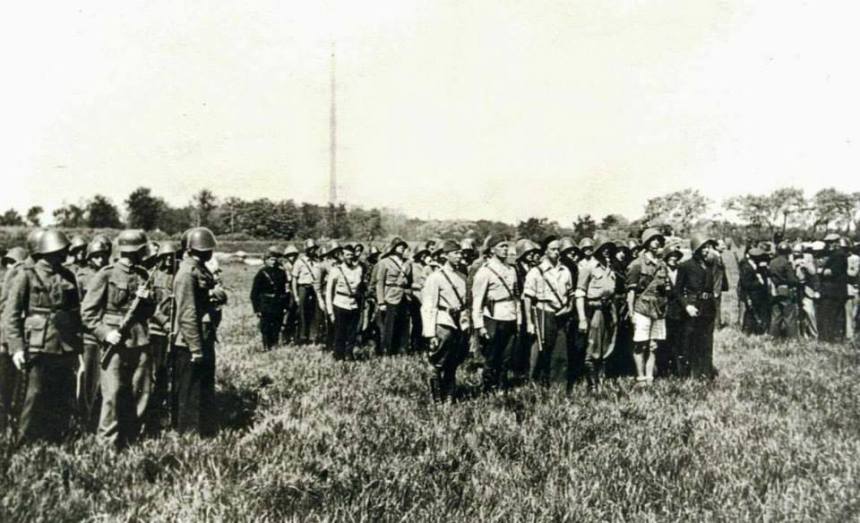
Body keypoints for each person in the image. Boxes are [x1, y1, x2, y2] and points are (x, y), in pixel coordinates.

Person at [3, 230, 81, 445]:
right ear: (49, 251)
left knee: (61, 395)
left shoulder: (68, 276)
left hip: (64, 344)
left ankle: (56, 439)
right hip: (37, 343)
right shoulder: (26, 275)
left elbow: (75, 314)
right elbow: (11, 316)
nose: (65, 254)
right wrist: (16, 347)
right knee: (34, 395)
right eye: (60, 251)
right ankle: (23, 442)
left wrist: (77, 347)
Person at [80, 230, 156, 449]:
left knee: (140, 390)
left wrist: (147, 300)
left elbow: (148, 313)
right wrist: (104, 333)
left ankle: (131, 437)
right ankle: (107, 444)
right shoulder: (106, 274)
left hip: (139, 339)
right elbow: (88, 313)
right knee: (112, 393)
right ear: (137, 250)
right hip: (114, 342)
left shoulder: (143, 275)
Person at [172, 227, 220, 436]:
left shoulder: (200, 269)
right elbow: (187, 313)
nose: (207, 254)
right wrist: (196, 348)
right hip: (190, 342)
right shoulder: (186, 273)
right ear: (190, 250)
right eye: (202, 251)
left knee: (203, 387)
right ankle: (189, 433)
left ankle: (204, 430)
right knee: (190, 390)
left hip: (204, 337)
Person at [422, 240, 469, 402]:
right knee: (437, 361)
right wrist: (430, 333)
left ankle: (449, 396)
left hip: (459, 323)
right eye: (455, 253)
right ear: (445, 255)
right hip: (443, 321)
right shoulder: (435, 277)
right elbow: (429, 306)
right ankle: (436, 398)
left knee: (453, 361)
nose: (459, 256)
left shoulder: (463, 276)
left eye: (460, 253)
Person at [524, 237, 574, 386]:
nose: (556, 252)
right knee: (541, 351)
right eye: (553, 249)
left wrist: (569, 307)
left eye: (558, 249)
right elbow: (527, 298)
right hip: (543, 312)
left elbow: (571, 293)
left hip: (561, 314)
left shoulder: (565, 270)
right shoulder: (535, 272)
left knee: (560, 352)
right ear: (545, 251)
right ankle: (536, 384)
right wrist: (529, 322)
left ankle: (558, 386)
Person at [75, 235, 112, 433]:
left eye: (104, 256)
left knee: (106, 382)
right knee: (89, 381)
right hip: (89, 335)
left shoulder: (110, 274)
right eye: (96, 256)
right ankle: (86, 422)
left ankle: (100, 419)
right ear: (89, 258)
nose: (101, 260)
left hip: (107, 333)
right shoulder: (81, 277)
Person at [472, 236, 518, 391]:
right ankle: (488, 387)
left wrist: (518, 318)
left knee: (507, 355)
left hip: (510, 315)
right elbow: (477, 300)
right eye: (502, 246)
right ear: (492, 249)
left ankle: (502, 386)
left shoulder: (511, 270)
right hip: (493, 316)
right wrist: (480, 325)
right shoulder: (485, 271)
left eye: (507, 246)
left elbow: (515, 296)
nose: (506, 249)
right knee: (492, 355)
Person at [626, 228, 671, 385]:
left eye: (659, 239)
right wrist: (631, 313)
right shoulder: (636, 265)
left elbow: (666, 288)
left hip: (658, 309)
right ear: (646, 242)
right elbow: (631, 292)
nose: (657, 242)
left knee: (653, 345)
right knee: (640, 344)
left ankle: (649, 376)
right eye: (653, 239)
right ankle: (640, 377)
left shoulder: (662, 264)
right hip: (642, 308)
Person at [675, 232, 722, 379]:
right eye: (703, 248)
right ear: (696, 249)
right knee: (690, 341)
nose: (706, 250)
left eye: (707, 247)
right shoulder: (685, 266)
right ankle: (689, 374)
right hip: (693, 307)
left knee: (707, 341)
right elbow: (677, 291)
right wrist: (687, 306)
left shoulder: (709, 265)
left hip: (708, 308)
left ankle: (706, 372)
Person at [575, 237, 618, 392]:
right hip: (595, 310)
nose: (607, 251)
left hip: (608, 310)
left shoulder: (609, 267)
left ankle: (601, 382)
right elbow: (580, 294)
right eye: (603, 248)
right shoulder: (589, 267)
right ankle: (592, 385)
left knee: (606, 347)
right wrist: (581, 318)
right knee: (592, 349)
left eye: (609, 248)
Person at [147, 240, 178, 433]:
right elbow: (149, 305)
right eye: (164, 257)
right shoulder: (153, 276)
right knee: (156, 372)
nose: (168, 260)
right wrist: (163, 322)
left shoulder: (178, 276)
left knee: (171, 372)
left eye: (171, 257)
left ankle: (169, 411)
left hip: (174, 331)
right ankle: (154, 412)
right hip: (156, 330)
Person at [0, 247, 28, 432]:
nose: (11, 267)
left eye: (14, 262)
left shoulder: (15, 277)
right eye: (9, 263)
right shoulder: (16, 277)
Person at [325, 243, 365, 361]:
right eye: (347, 255)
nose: (350, 257)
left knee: (352, 333)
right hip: (340, 303)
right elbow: (329, 291)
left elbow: (360, 287)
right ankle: (338, 355)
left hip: (353, 304)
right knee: (340, 332)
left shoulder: (358, 269)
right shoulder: (336, 270)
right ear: (342, 256)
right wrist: (330, 310)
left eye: (352, 255)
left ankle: (349, 353)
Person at [376, 237, 412, 356]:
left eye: (403, 246)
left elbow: (409, 280)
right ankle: (387, 351)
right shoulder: (384, 262)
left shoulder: (407, 263)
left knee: (403, 326)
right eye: (399, 245)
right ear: (393, 248)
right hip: (390, 296)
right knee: (389, 327)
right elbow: (379, 282)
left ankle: (401, 350)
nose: (402, 248)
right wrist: (381, 301)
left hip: (404, 297)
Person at [512, 238, 541, 384]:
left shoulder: (534, 267)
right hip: (521, 306)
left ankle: (530, 370)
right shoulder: (516, 269)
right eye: (528, 252)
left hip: (532, 305)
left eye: (532, 252)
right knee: (520, 339)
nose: (531, 255)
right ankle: (519, 371)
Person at [250, 247, 288, 351]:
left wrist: (285, 305)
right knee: (266, 326)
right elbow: (254, 293)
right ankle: (266, 346)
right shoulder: (261, 274)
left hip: (278, 303)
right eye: (271, 259)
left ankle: (274, 344)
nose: (273, 262)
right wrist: (257, 309)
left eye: (275, 259)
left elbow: (285, 291)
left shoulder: (281, 273)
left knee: (277, 324)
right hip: (266, 304)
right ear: (266, 260)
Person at [818, 233, 848, 342]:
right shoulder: (837, 254)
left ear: (836, 243)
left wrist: (818, 271)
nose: (828, 245)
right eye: (827, 242)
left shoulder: (838, 255)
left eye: (830, 242)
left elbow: (830, 272)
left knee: (830, 315)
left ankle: (830, 339)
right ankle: (834, 338)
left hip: (833, 291)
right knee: (834, 316)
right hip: (836, 290)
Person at [660, 243, 684, 377]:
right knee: (664, 341)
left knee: (678, 340)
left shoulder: (681, 270)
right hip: (665, 309)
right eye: (670, 256)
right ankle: (663, 368)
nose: (673, 258)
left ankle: (677, 368)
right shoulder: (661, 271)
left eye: (675, 256)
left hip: (679, 310)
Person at [768, 241, 800, 339]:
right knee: (789, 316)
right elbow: (792, 280)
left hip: (775, 290)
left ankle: (773, 336)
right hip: (786, 290)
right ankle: (792, 338)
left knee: (776, 315)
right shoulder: (787, 263)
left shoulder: (772, 262)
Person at [314, 241, 342, 349]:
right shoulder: (324, 265)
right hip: (327, 294)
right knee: (329, 320)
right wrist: (320, 299)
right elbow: (317, 283)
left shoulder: (341, 264)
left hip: (339, 295)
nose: (338, 253)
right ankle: (329, 343)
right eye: (335, 251)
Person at [291, 239, 319, 346]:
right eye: (310, 249)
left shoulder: (317, 261)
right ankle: (302, 337)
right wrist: (296, 295)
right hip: (303, 288)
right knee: (302, 313)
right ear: (306, 250)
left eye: (314, 249)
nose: (312, 251)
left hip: (314, 289)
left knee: (315, 312)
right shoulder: (299, 262)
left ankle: (313, 336)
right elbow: (294, 279)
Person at [738, 248, 771, 335]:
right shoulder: (747, 267)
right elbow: (746, 284)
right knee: (750, 313)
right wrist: (759, 282)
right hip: (751, 294)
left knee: (754, 312)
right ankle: (747, 331)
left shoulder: (753, 264)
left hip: (756, 294)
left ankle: (754, 331)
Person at [407, 244, 432, 353]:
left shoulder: (427, 266)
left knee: (425, 322)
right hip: (415, 297)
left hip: (426, 297)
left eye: (425, 254)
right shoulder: (411, 265)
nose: (423, 256)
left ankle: (424, 345)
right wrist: (416, 285)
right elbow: (406, 282)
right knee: (417, 322)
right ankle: (415, 346)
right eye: (421, 254)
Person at [797, 242, 821, 339]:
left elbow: (813, 273)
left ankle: (813, 334)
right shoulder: (799, 260)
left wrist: (805, 265)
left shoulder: (809, 260)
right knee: (803, 314)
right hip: (802, 290)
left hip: (808, 290)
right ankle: (804, 333)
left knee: (810, 313)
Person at [281, 245, 300, 345]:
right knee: (287, 314)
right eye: (290, 256)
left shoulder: (298, 265)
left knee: (296, 314)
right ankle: (285, 336)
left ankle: (294, 335)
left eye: (294, 255)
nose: (292, 257)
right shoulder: (285, 267)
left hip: (296, 291)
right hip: (288, 292)